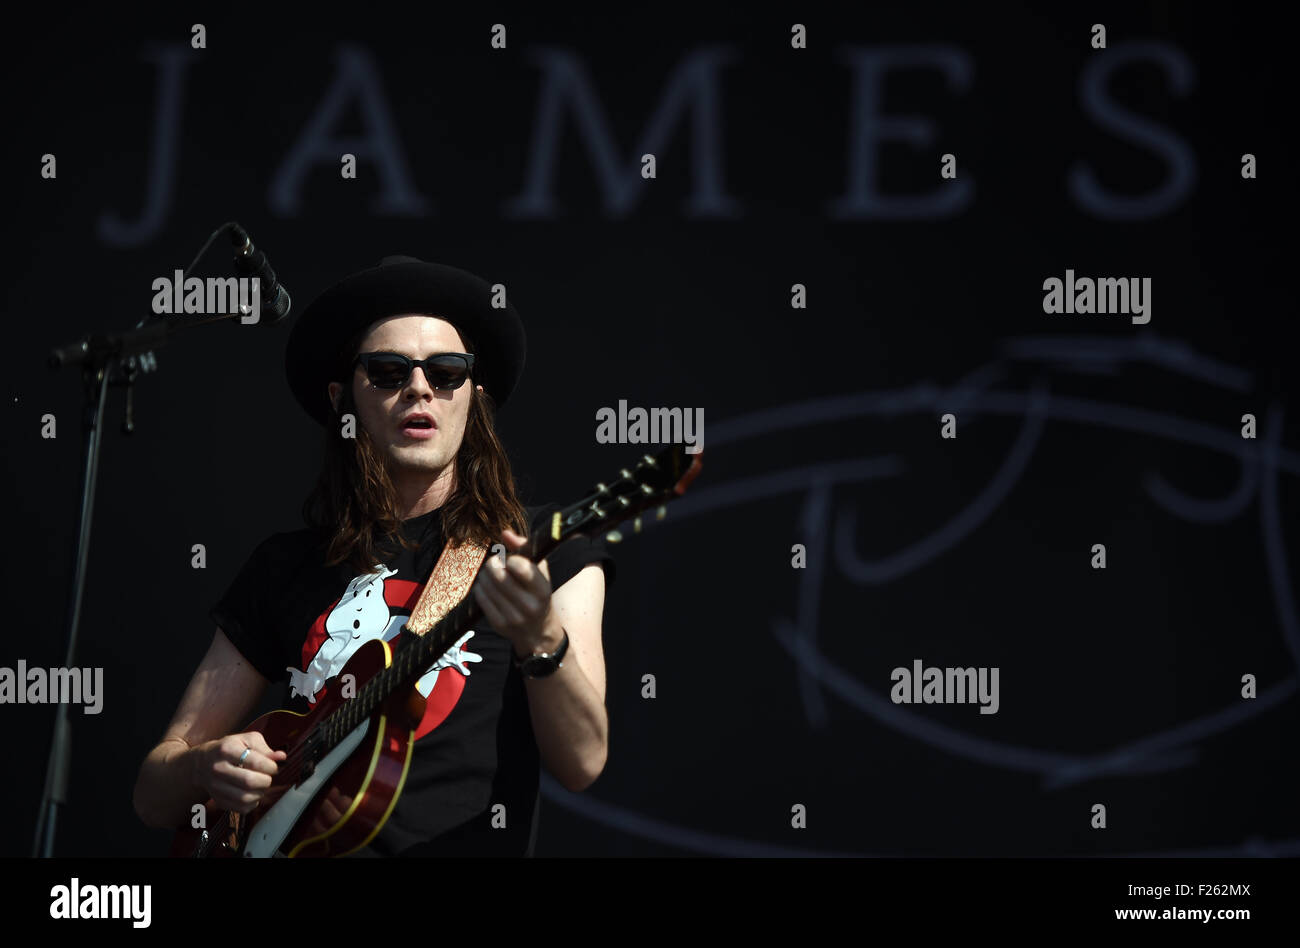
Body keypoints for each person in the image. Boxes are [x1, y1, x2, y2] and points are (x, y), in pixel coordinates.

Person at [132, 256, 614, 856]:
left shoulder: (542, 549)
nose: (419, 387)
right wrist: (206, 766)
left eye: (447, 371)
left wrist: (540, 637)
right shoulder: (285, 565)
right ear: (344, 399)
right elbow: (154, 796)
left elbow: (584, 762)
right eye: (388, 371)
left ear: (474, 396)